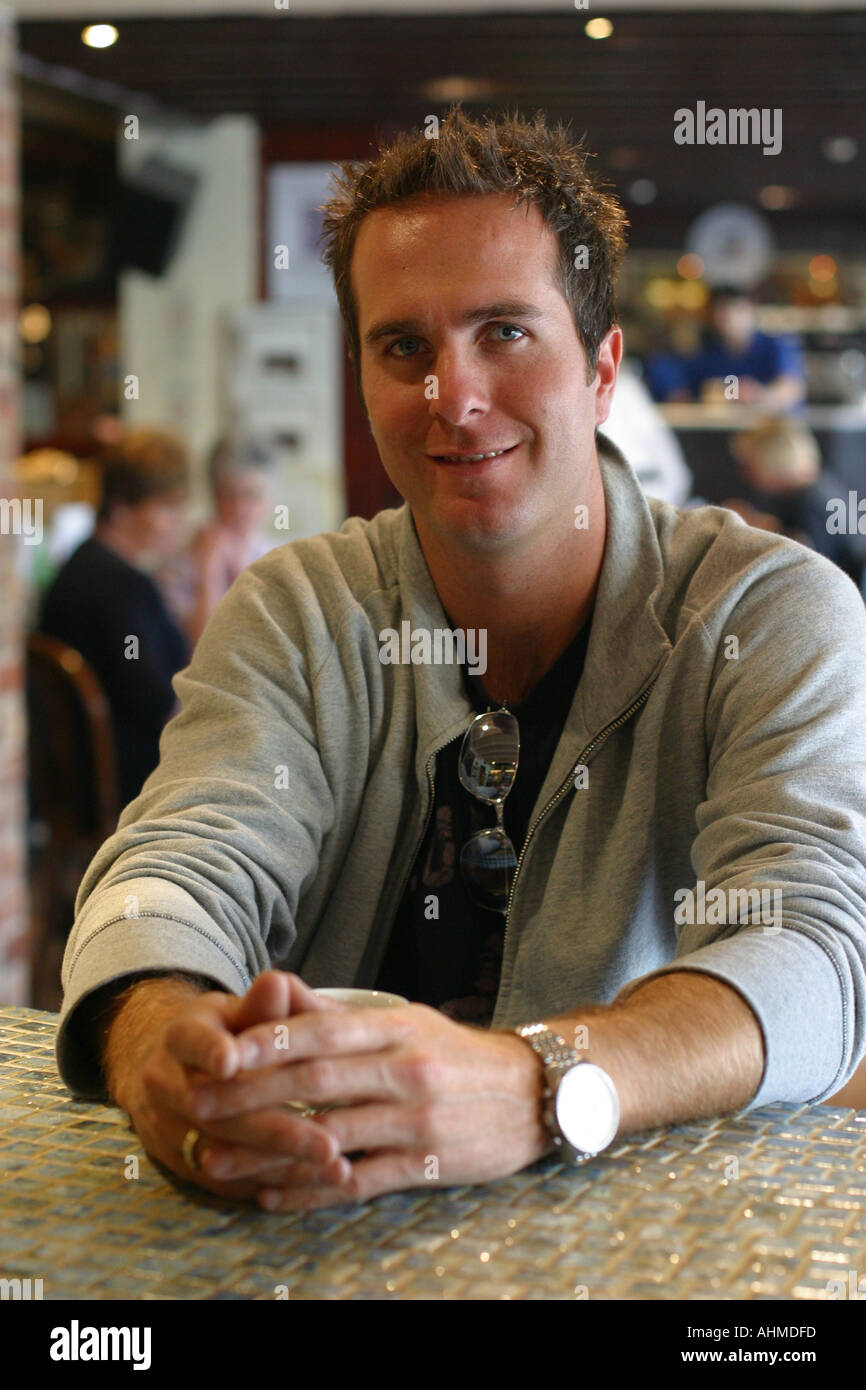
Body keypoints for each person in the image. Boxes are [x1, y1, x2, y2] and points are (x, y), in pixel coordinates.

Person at [55, 107, 866, 1212]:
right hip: (318, 1242)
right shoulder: (299, 608)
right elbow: (175, 862)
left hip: (637, 1249)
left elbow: (814, 953)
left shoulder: (770, 614)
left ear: (599, 370)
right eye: (404, 348)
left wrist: (539, 1080)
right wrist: (156, 1032)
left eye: (503, 332)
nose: (453, 396)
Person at [39, 427, 190, 809]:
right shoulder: (118, 589)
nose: (178, 521)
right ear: (121, 509)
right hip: (132, 783)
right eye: (166, 507)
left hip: (79, 779)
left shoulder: (84, 566)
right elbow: (160, 703)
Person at [157, 435, 275, 649]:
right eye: (228, 495)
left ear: (269, 499)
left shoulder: (279, 558)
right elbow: (200, 651)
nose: (240, 509)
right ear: (212, 495)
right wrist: (208, 574)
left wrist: (241, 574)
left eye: (251, 495)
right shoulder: (180, 561)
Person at [723, 418, 865, 590]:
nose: (744, 474)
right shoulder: (817, 489)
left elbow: (805, 559)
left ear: (772, 459)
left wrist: (753, 528)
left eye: (749, 465)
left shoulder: (810, 501)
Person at [646, 285, 806, 410]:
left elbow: (791, 389)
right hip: (728, 434)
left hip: (777, 431)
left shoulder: (777, 344)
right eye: (721, 315)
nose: (727, 320)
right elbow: (697, 388)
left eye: (735, 311)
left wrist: (758, 395)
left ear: (749, 311)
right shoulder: (711, 352)